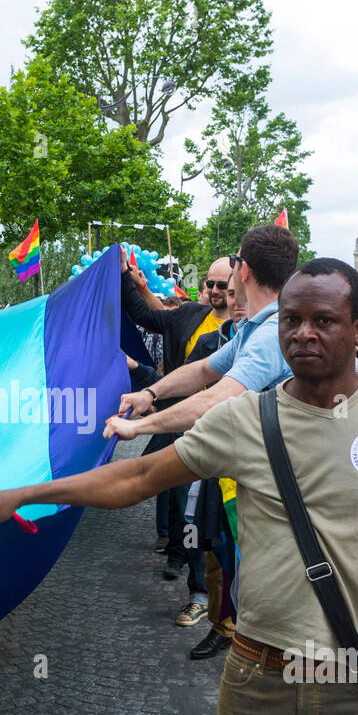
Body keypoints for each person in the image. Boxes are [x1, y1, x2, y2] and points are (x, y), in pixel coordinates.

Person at [0, 259, 358, 715]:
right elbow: (136, 481)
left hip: (352, 677)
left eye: (324, 320)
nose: (304, 334)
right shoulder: (244, 419)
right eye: (291, 320)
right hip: (257, 680)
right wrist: (28, 494)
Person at [108, 227, 301, 660]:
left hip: (274, 485)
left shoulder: (272, 334)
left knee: (259, 580)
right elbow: (201, 371)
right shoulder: (258, 327)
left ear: (243, 270)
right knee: (221, 555)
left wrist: (139, 427)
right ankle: (230, 627)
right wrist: (150, 394)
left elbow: (216, 396)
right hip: (242, 473)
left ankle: (259, 654)